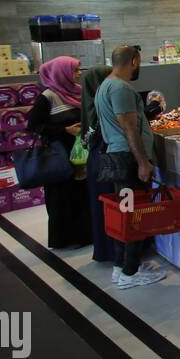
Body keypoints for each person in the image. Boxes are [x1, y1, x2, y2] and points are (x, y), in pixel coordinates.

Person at [95, 45, 166, 287]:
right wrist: (142, 162)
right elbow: (129, 128)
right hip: (128, 160)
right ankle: (130, 272)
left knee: (125, 214)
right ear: (134, 60)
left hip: (119, 158)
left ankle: (120, 266)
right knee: (135, 215)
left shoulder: (106, 84)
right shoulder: (120, 88)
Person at [27, 56, 92, 249]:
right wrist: (64, 130)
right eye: (75, 70)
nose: (79, 73)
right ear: (61, 73)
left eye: (79, 69)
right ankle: (64, 238)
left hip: (80, 153)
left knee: (82, 194)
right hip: (59, 155)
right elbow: (34, 125)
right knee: (62, 198)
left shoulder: (79, 92)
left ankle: (85, 234)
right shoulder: (48, 97)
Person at [81, 64, 116, 263]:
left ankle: (106, 249)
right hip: (106, 159)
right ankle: (114, 252)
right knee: (113, 205)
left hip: (96, 159)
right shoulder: (102, 104)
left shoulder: (90, 102)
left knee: (103, 206)